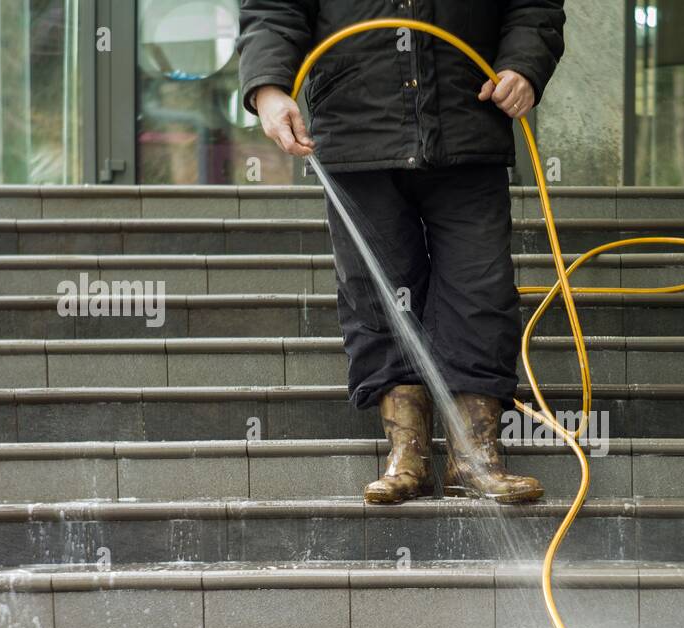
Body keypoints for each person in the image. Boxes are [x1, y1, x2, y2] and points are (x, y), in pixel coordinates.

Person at [237, 1, 566, 504]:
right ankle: (407, 455)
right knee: (378, 295)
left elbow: (533, 4)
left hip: (468, 118)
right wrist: (267, 87)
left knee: (480, 289)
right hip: (356, 128)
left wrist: (524, 64)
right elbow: (274, 7)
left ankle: (474, 456)